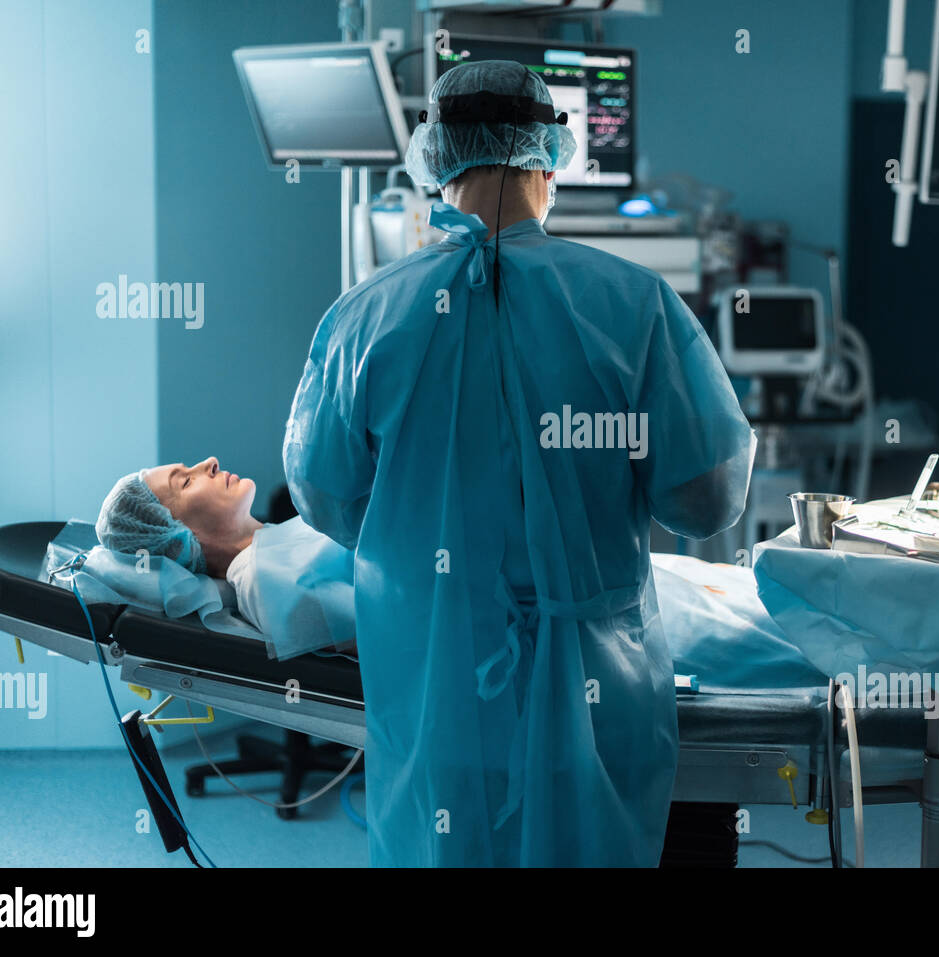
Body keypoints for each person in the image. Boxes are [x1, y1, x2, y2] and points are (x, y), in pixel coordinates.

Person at [284, 59, 755, 867]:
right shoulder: (634, 306)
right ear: (549, 155)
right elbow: (706, 500)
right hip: (595, 694)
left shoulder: (365, 319)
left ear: (438, 158)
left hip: (434, 678)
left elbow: (326, 497)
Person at [96, 460, 354, 659]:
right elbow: (384, 632)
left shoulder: (274, 545)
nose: (210, 462)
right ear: (179, 538)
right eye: (186, 482)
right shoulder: (263, 580)